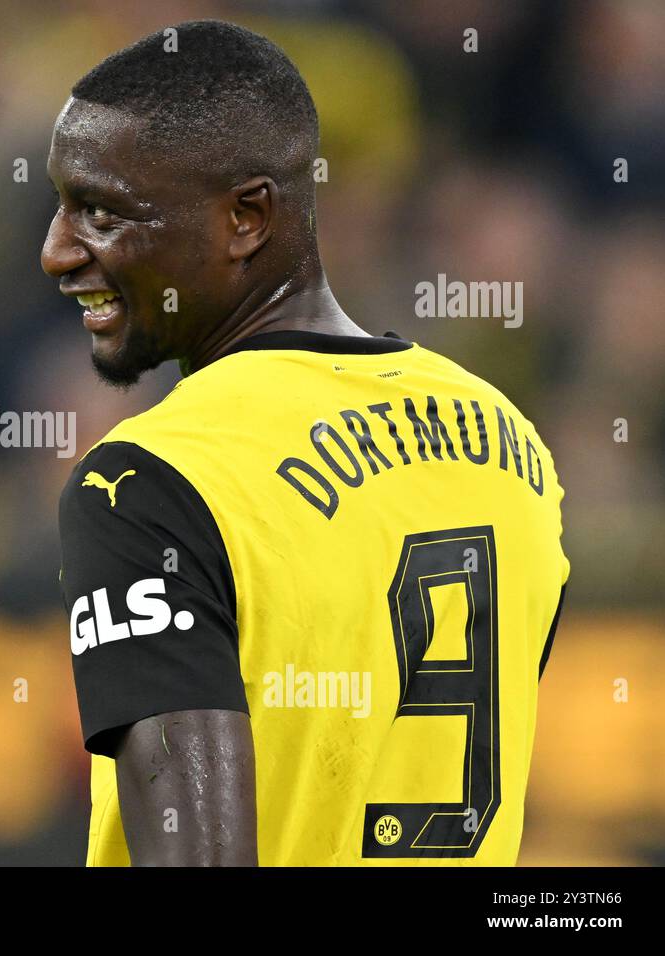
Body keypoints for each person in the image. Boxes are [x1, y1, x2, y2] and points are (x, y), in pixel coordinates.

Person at [41, 19, 568, 865]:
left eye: (101, 212)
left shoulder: (148, 483)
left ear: (247, 217)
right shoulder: (508, 442)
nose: (57, 252)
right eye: (61, 207)